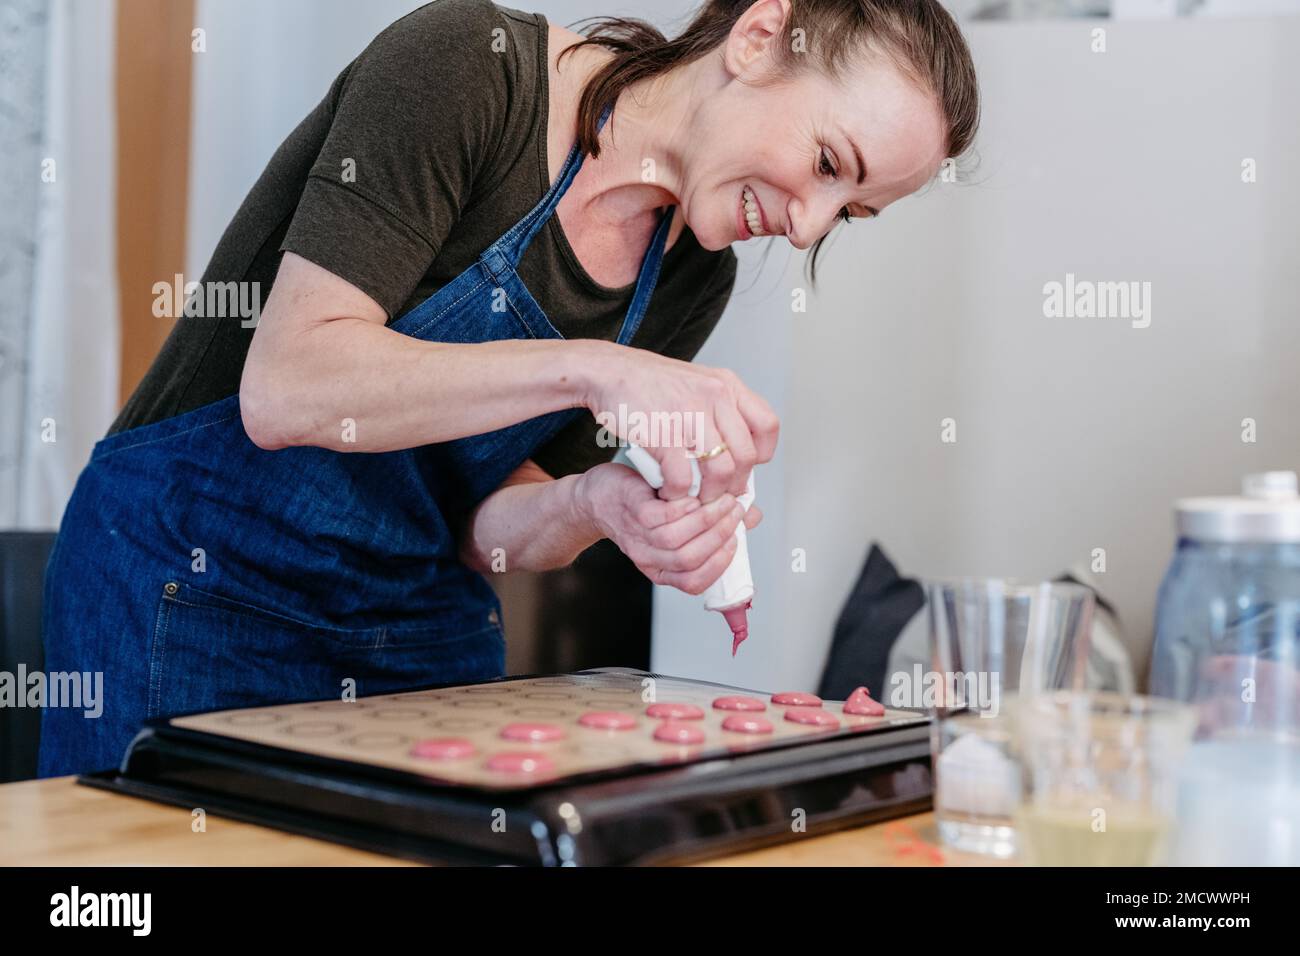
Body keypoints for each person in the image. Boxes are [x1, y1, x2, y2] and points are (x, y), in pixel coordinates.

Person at [39, 0, 979, 775]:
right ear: (759, 36)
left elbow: (482, 526)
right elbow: (290, 387)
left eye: (848, 212)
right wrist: (597, 368)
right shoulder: (465, 71)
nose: (810, 230)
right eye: (826, 164)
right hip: (187, 586)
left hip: (408, 636)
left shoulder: (690, 274)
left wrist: (597, 504)